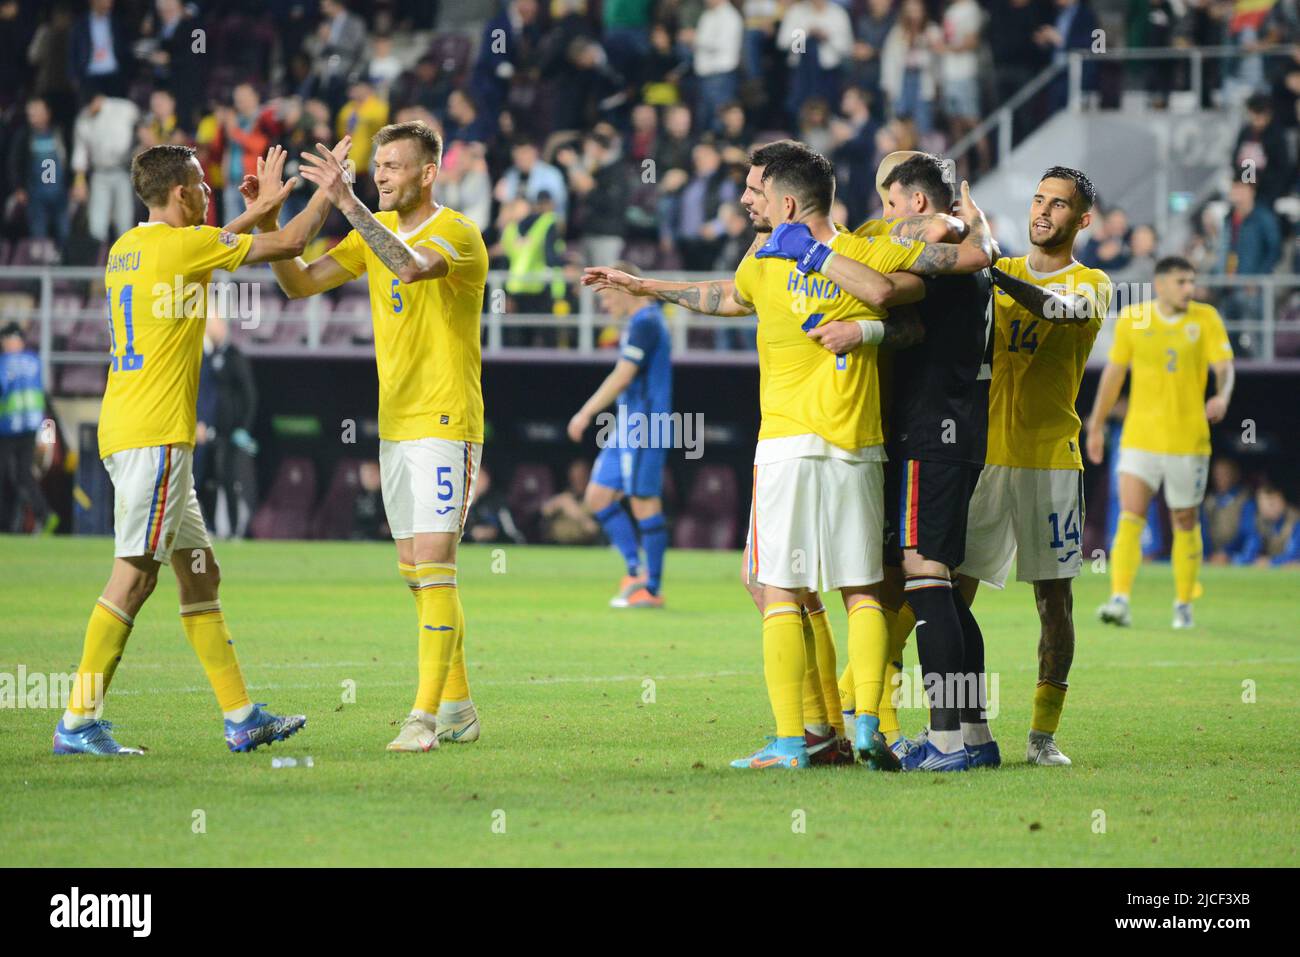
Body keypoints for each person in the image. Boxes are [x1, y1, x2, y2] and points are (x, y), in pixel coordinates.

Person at [586, 139, 993, 770]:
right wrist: (645, 286)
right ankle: (861, 728)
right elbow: (731, 296)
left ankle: (792, 741)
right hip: (860, 446)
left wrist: (950, 227)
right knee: (860, 589)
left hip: (786, 445)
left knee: (774, 587)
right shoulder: (862, 249)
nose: (745, 201)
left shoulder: (804, 252)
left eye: (754, 191)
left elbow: (942, 270)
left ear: (787, 199)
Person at [53, 141, 341, 756]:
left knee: (202, 575)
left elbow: (202, 251)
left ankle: (241, 717)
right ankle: (77, 721)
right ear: (181, 193)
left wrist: (251, 211)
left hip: (131, 429)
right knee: (133, 578)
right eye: (203, 187)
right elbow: (290, 245)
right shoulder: (184, 247)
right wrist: (331, 192)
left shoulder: (129, 249)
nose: (211, 195)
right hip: (155, 436)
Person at [257, 121, 488, 754]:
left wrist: (346, 203)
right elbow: (299, 283)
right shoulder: (370, 237)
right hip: (396, 424)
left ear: (427, 173)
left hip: (446, 421)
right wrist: (265, 219)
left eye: (393, 165)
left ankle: (423, 718)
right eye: (376, 165)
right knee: (419, 574)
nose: (380, 174)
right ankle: (461, 706)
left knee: (437, 568)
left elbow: (412, 268)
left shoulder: (458, 234)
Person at [816, 152, 999, 771]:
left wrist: (852, 309)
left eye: (892, 203)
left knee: (924, 582)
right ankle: (972, 734)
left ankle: (947, 739)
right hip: (958, 431)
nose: (886, 216)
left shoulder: (947, 255)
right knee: (940, 587)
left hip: (931, 432)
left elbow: (896, 300)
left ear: (918, 203)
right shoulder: (971, 251)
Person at [954, 167, 1113, 768]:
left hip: (1051, 460)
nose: (1044, 211)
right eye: (1039, 200)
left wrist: (989, 266)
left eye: (1059, 204)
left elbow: (1056, 311)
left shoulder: (1094, 284)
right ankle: (964, 725)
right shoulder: (1001, 274)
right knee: (950, 594)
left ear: (1082, 219)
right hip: (988, 457)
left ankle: (1043, 736)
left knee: (1054, 601)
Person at [1088, 256, 1235, 630]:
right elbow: (1114, 374)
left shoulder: (1206, 319)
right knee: (1130, 516)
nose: (1190, 288)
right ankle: (1119, 599)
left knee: (1184, 520)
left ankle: (1184, 602)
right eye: (1183, 282)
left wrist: (1222, 396)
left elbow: (1224, 367)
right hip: (1140, 438)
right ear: (1161, 284)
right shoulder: (1135, 319)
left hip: (1188, 441)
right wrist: (1096, 424)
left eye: (1192, 282)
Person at [566, 262, 672, 609]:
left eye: (607, 295)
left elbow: (623, 376)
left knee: (643, 501)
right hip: (628, 424)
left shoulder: (647, 322)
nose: (604, 305)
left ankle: (651, 589)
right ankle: (635, 571)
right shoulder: (638, 323)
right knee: (597, 497)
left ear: (625, 287)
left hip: (646, 425)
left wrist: (585, 412)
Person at [197, 316, 258, 539]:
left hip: (231, 432)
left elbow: (249, 395)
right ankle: (211, 526)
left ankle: (234, 529)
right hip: (211, 430)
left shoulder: (234, 356)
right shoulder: (208, 357)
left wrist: (243, 427)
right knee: (206, 477)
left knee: (228, 478)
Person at [70, 88, 139, 245]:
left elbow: (141, 124)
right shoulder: (83, 118)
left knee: (124, 221)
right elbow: (80, 153)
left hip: (123, 170)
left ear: (99, 98)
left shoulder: (124, 108)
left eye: (91, 104)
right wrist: (79, 181)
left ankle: (127, 258)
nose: (89, 108)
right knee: (97, 223)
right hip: (99, 173)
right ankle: (98, 261)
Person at [0, 323, 50, 533]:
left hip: (9, 427)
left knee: (6, 475)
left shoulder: (4, 363)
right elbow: (43, 397)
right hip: (32, 425)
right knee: (23, 474)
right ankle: (43, 515)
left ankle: (9, 522)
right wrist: (47, 436)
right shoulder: (34, 361)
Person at [1203, 458, 1251, 564]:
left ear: (1235, 475)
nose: (1219, 477)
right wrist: (1207, 553)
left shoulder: (1244, 499)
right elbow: (1203, 529)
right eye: (1217, 474)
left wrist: (1227, 553)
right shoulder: (1209, 500)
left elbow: (1247, 532)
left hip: (1235, 555)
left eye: (1225, 473)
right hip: (1210, 555)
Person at [539, 460, 599, 545]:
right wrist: (558, 503)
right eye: (575, 477)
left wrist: (578, 515)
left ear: (589, 476)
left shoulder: (596, 500)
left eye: (582, 476)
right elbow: (545, 511)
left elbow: (593, 529)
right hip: (557, 546)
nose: (578, 480)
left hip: (586, 546)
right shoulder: (564, 497)